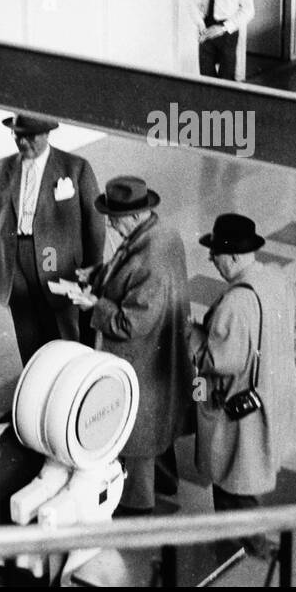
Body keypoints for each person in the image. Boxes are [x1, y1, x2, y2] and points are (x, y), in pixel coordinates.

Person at [74, 176, 190, 516]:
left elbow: (129, 323)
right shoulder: (159, 232)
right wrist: (96, 275)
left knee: (137, 432)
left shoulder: (149, 257)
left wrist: (92, 305)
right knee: (160, 423)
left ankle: (137, 507)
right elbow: (125, 268)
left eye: (114, 216)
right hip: (162, 356)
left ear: (137, 215)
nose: (109, 222)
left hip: (139, 360)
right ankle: (166, 480)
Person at [190, 214, 296, 542]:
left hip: (242, 407)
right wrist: (277, 351)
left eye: (216, 254)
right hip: (275, 392)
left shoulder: (235, 302)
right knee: (250, 470)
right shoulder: (276, 278)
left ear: (235, 257)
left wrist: (192, 335)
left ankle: (248, 548)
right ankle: (250, 544)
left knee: (231, 479)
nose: (212, 259)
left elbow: (218, 361)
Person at [0, 113, 104, 363]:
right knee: (27, 332)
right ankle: (34, 383)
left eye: (30, 137)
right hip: (15, 260)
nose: (23, 142)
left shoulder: (75, 167)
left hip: (57, 263)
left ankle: (67, 387)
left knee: (62, 331)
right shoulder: (2, 168)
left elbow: (94, 225)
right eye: (18, 135)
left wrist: (93, 269)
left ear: (47, 134)